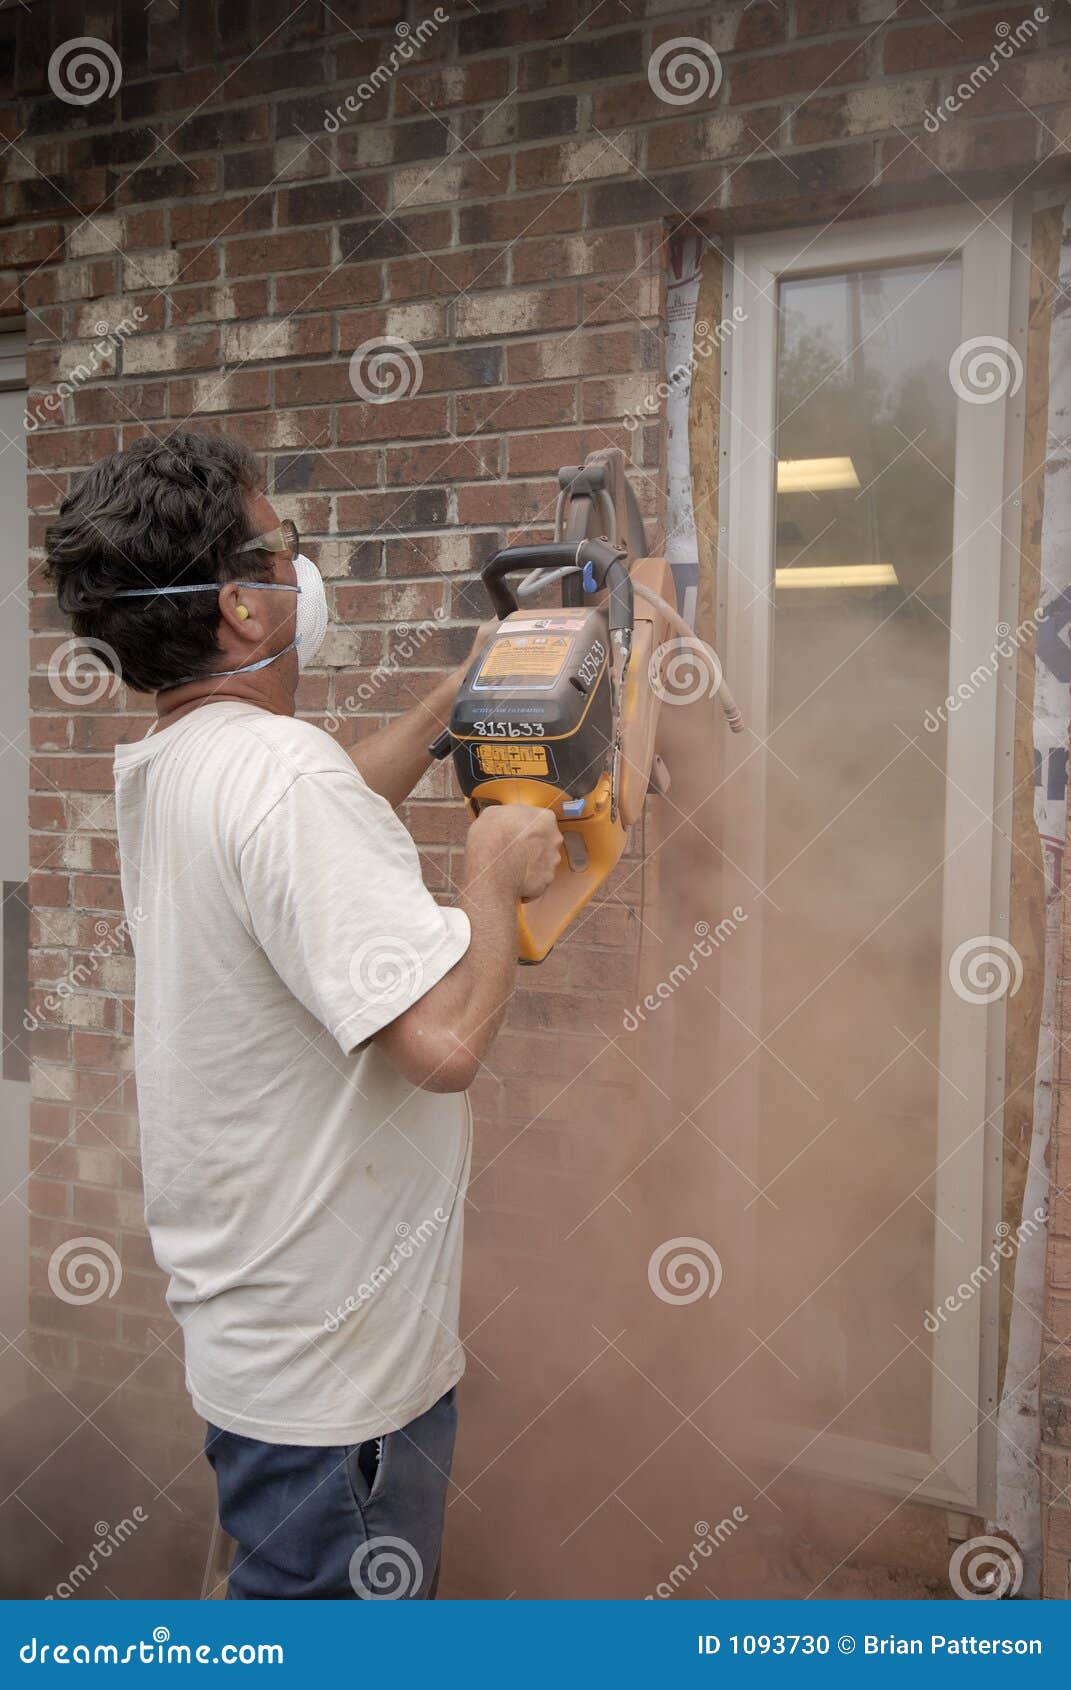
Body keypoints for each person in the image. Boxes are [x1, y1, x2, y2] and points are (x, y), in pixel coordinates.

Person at [46, 430, 560, 1600]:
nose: (301, 567)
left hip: (263, 1344)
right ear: (244, 607)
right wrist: (491, 871)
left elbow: (325, 808)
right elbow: (442, 1048)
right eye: (285, 549)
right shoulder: (282, 779)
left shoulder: (187, 760)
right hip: (343, 1381)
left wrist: (458, 690)